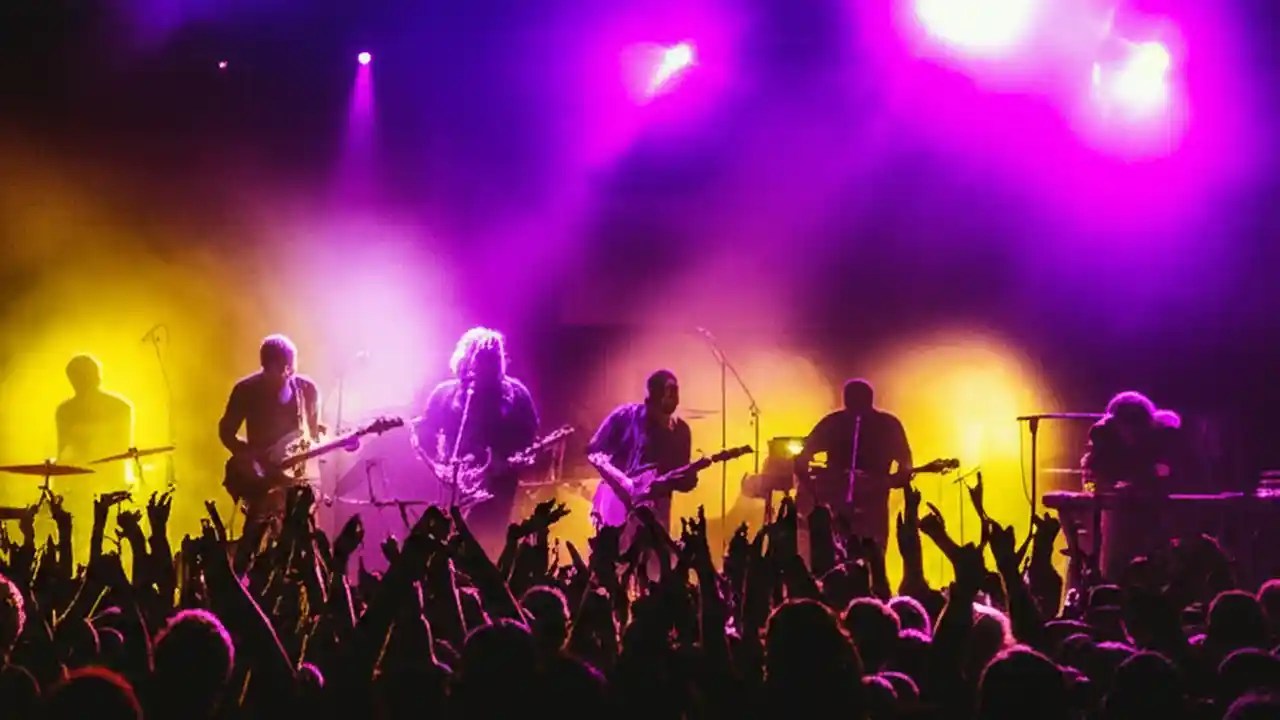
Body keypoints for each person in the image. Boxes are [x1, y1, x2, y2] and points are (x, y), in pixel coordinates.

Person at [413, 327, 539, 552]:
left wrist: (506, 463)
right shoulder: (444, 394)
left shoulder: (516, 394)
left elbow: (530, 443)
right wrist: (437, 467)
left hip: (497, 489)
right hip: (452, 487)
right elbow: (423, 435)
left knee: (487, 548)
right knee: (447, 548)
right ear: (466, 359)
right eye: (481, 358)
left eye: (493, 359)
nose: (487, 365)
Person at [218, 334, 322, 534]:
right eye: (281, 370)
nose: (287, 374)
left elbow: (315, 433)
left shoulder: (307, 390)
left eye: (290, 369)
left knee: (304, 536)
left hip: (297, 478)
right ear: (267, 366)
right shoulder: (245, 390)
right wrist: (251, 456)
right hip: (262, 477)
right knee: (256, 533)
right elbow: (226, 431)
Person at [793, 378, 912, 548]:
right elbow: (801, 460)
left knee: (872, 552)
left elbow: (906, 463)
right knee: (836, 550)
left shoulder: (888, 425)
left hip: (872, 502)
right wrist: (814, 491)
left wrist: (888, 481)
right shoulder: (833, 423)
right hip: (836, 502)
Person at [586, 369, 694, 533]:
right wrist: (619, 480)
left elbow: (684, 480)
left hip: (654, 514)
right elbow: (594, 451)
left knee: (654, 556)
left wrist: (685, 479)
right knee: (611, 556)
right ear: (653, 395)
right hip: (615, 507)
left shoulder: (680, 431)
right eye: (668, 390)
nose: (673, 396)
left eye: (675, 391)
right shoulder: (625, 416)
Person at [55, 355, 134, 554]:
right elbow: (62, 452)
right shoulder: (65, 411)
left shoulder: (119, 408)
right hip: (80, 483)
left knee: (102, 537)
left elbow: (120, 448)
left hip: (107, 481)